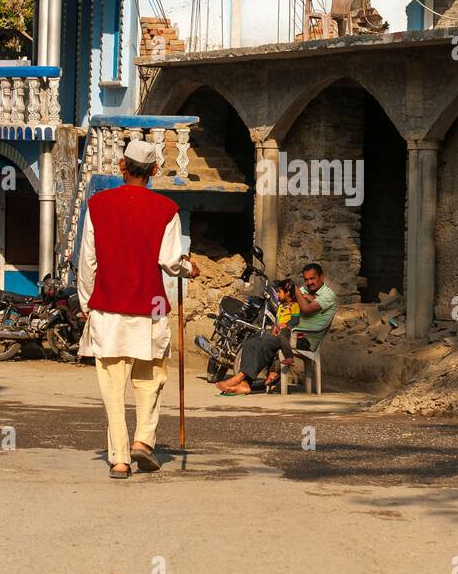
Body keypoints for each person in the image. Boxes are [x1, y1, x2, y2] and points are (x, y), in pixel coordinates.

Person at [77, 139, 200, 479]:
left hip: (107, 308)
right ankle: (143, 440)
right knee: (150, 379)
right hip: (151, 309)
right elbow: (171, 260)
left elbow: (88, 261)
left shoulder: (97, 206)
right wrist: (189, 268)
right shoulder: (166, 210)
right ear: (155, 171)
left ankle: (119, 459)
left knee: (112, 388)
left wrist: (87, 302)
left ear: (121, 166)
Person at [217, 262, 338, 395]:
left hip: (306, 338)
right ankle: (245, 384)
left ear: (322, 277)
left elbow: (307, 309)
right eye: (306, 279)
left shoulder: (328, 295)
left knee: (268, 340)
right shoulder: (306, 291)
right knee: (254, 339)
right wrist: (277, 325)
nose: (309, 282)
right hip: (290, 333)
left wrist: (297, 291)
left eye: (312, 278)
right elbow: (286, 303)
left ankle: (239, 378)